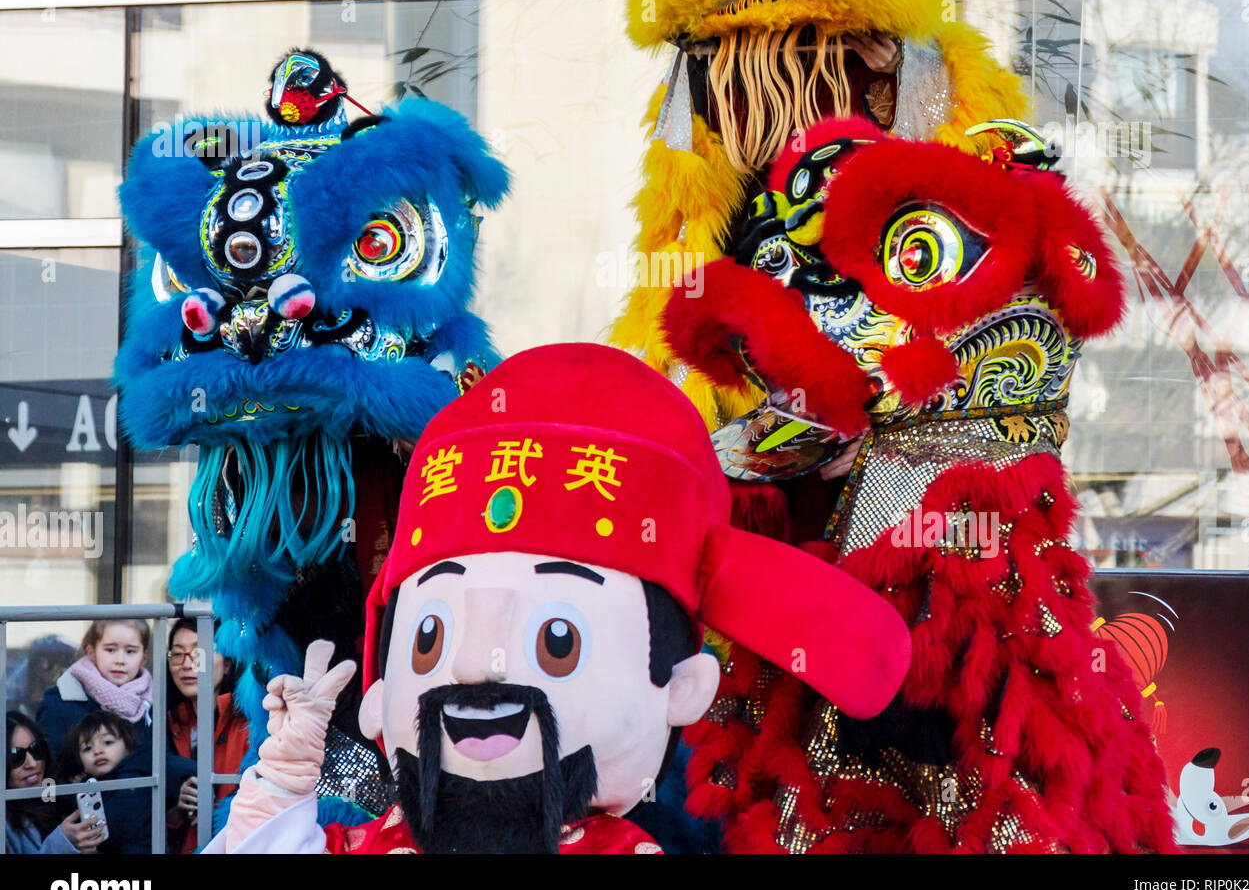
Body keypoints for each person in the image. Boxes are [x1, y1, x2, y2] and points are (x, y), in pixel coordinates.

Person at [204, 343, 911, 853]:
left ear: (684, 688)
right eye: (429, 641)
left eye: (557, 642)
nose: (477, 670)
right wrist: (284, 778)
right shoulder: (365, 840)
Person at [164, 618, 250, 853]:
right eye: (178, 654)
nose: (187, 663)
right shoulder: (165, 722)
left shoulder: (250, 724)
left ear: (228, 664)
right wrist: (175, 808)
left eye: (200, 652)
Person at [37, 619, 155, 776]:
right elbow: (50, 772)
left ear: (144, 657)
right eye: (110, 650)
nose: (120, 660)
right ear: (91, 652)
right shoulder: (58, 703)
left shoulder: (150, 701)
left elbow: (163, 761)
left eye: (131, 651)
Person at [67, 711, 195, 856]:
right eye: (87, 748)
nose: (97, 751)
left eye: (108, 742)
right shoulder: (83, 790)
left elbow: (190, 768)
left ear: (128, 747)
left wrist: (193, 787)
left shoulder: (143, 768)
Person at [4, 711, 104, 855]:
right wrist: (63, 842)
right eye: (16, 756)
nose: (32, 764)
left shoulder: (52, 795)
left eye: (35, 749)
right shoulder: (5, 823)